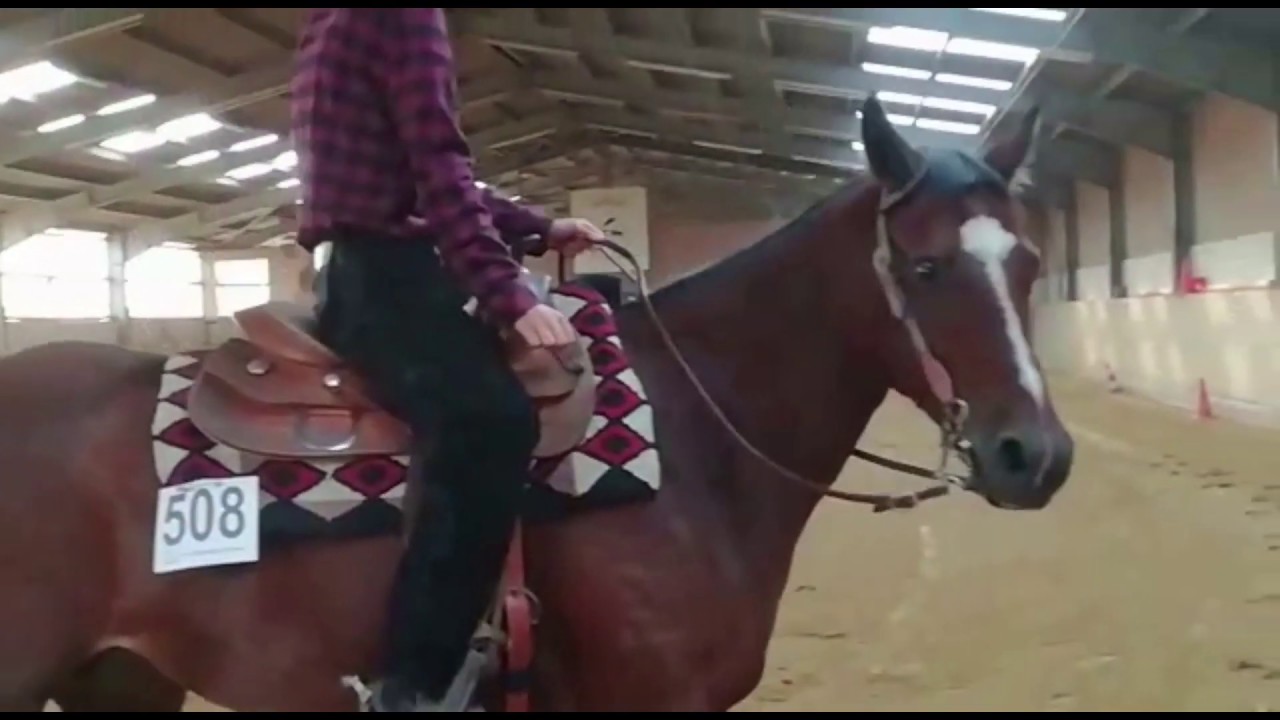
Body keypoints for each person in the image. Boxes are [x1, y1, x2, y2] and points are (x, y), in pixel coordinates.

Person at [291, 8, 604, 712]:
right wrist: (508, 295)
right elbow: (439, 168)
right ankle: (412, 684)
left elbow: (411, 168)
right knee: (491, 421)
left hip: (357, 265)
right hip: (387, 276)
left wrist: (535, 227)